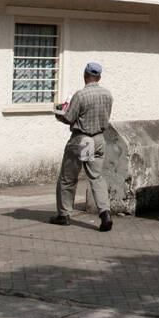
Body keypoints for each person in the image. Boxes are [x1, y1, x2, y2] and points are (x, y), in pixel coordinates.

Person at [51, 61, 112, 232]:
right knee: (96, 178)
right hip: (99, 139)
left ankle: (64, 215)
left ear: (85, 75)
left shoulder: (80, 95)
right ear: (99, 77)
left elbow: (69, 118)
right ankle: (105, 213)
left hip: (82, 139)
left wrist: (59, 115)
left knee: (68, 178)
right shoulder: (107, 95)